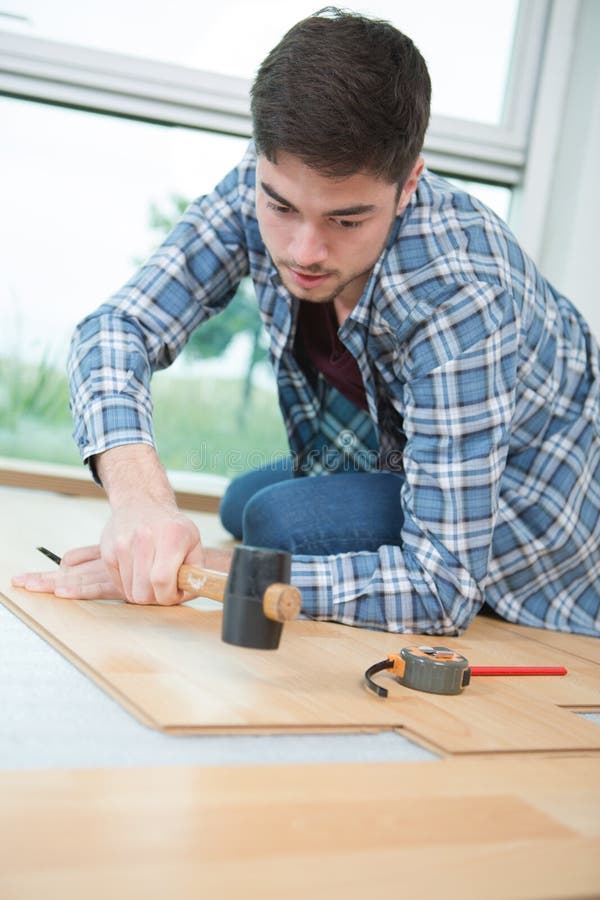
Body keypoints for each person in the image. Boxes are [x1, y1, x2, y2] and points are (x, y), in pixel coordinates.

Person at [13, 8, 600, 636]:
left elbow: (441, 588)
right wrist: (141, 504)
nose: (303, 250)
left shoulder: (461, 291)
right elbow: (116, 328)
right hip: (395, 460)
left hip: (522, 519)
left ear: (408, 187)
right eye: (280, 206)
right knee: (245, 504)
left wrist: (198, 572)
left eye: (346, 220)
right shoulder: (263, 179)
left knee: (275, 525)